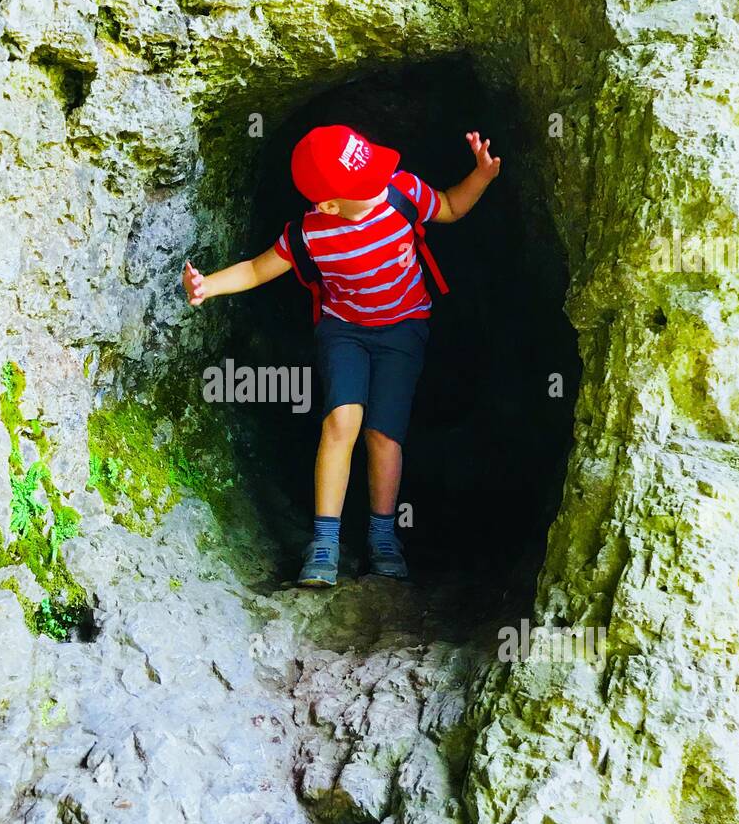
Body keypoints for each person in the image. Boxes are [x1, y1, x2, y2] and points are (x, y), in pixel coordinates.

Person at [182, 123, 501, 586]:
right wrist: (208, 286)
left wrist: (482, 176)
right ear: (328, 204)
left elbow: (450, 205)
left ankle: (383, 537)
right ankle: (325, 541)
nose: (378, 182)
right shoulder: (310, 235)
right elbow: (256, 269)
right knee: (340, 423)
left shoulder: (402, 192)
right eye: (365, 182)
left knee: (383, 435)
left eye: (374, 171)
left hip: (404, 329)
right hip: (345, 331)